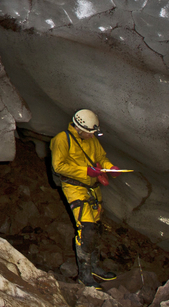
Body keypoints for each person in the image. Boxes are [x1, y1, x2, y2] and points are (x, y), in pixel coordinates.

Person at [50, 109, 119, 287]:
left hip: (92, 189)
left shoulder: (92, 140)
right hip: (74, 188)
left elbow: (101, 157)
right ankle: (84, 275)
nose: (92, 136)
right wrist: (86, 171)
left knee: (96, 229)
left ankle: (94, 267)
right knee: (86, 229)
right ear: (79, 128)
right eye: (89, 132)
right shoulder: (62, 139)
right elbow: (58, 166)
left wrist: (110, 167)